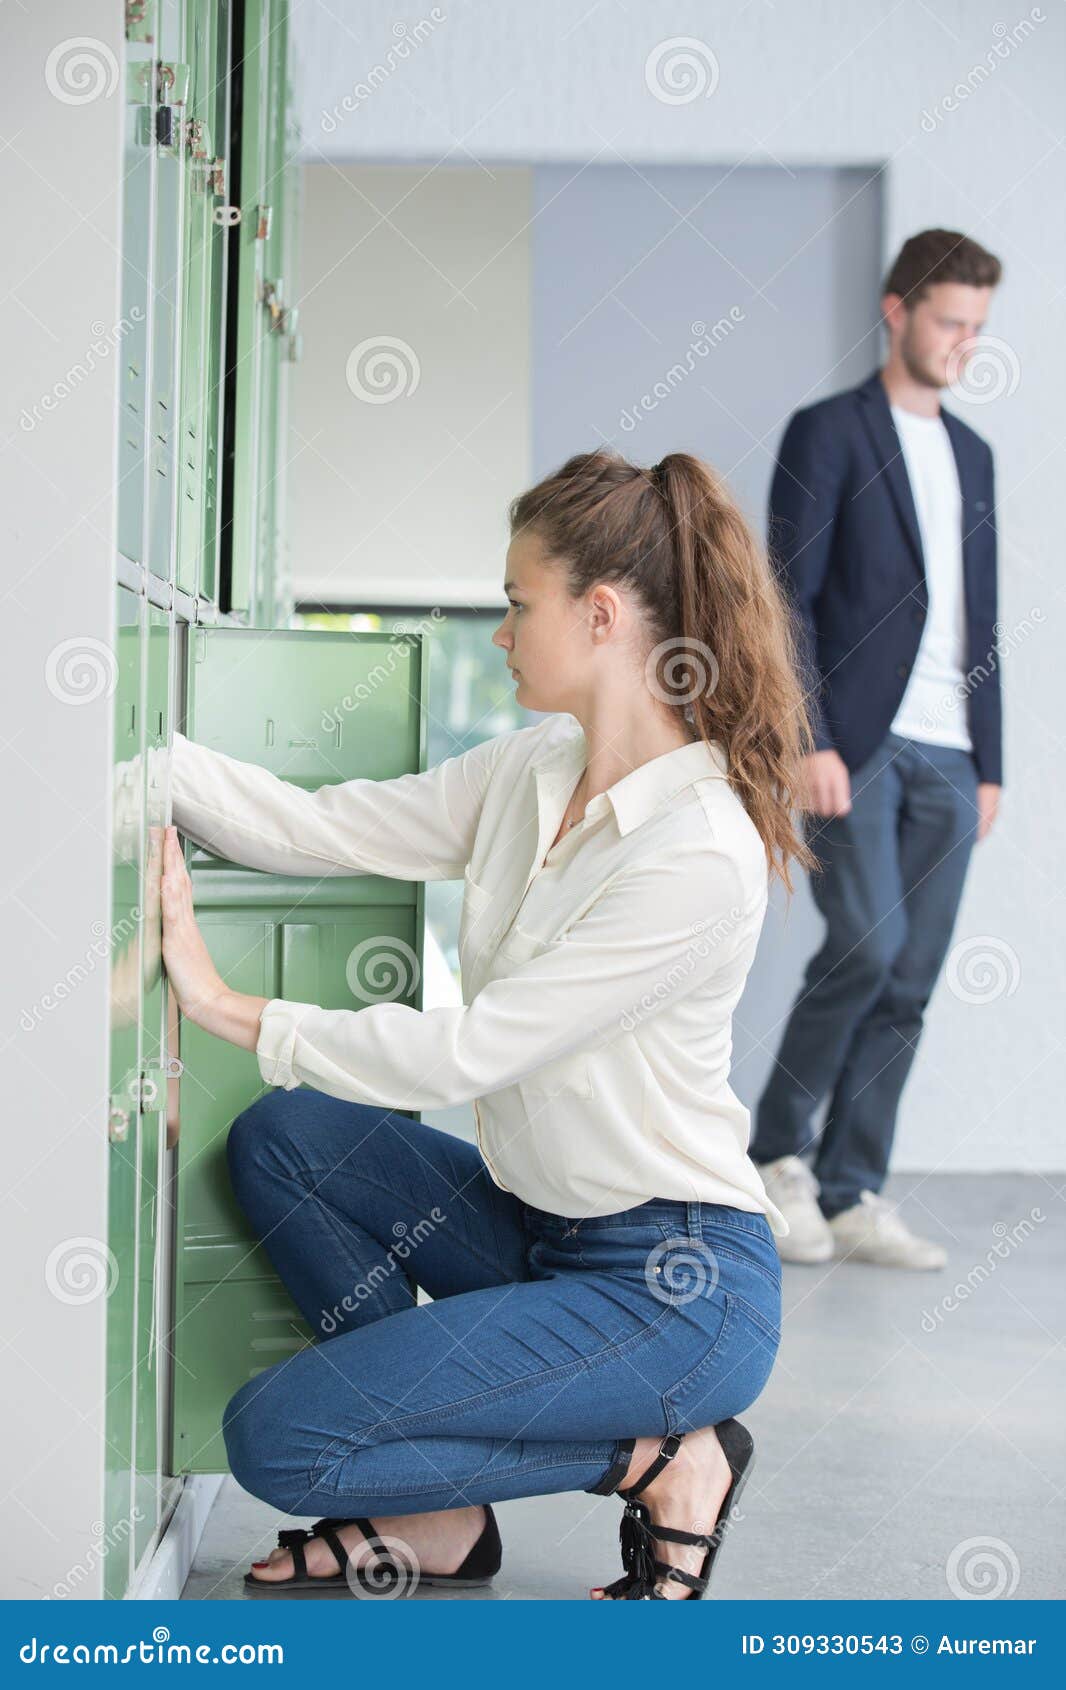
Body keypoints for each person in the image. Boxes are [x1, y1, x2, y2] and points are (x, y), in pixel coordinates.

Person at [160, 448, 819, 1600]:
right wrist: (147, 771)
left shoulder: (697, 851)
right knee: (288, 1140)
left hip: (672, 1286)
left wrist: (222, 1004)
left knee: (280, 1437)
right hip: (539, 1224)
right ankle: (438, 1513)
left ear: (600, 613)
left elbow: (475, 1047)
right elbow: (325, 829)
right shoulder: (531, 769)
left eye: (520, 603)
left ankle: (663, 1457)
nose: (504, 631)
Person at [751, 229, 1004, 1271]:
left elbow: (978, 619)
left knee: (911, 975)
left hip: (951, 751)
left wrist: (991, 761)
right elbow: (785, 599)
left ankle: (854, 1189)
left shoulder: (975, 452)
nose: (963, 343)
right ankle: (773, 1158)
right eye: (949, 320)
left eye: (978, 327)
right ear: (896, 312)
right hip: (856, 744)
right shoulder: (828, 433)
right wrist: (806, 738)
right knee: (863, 945)